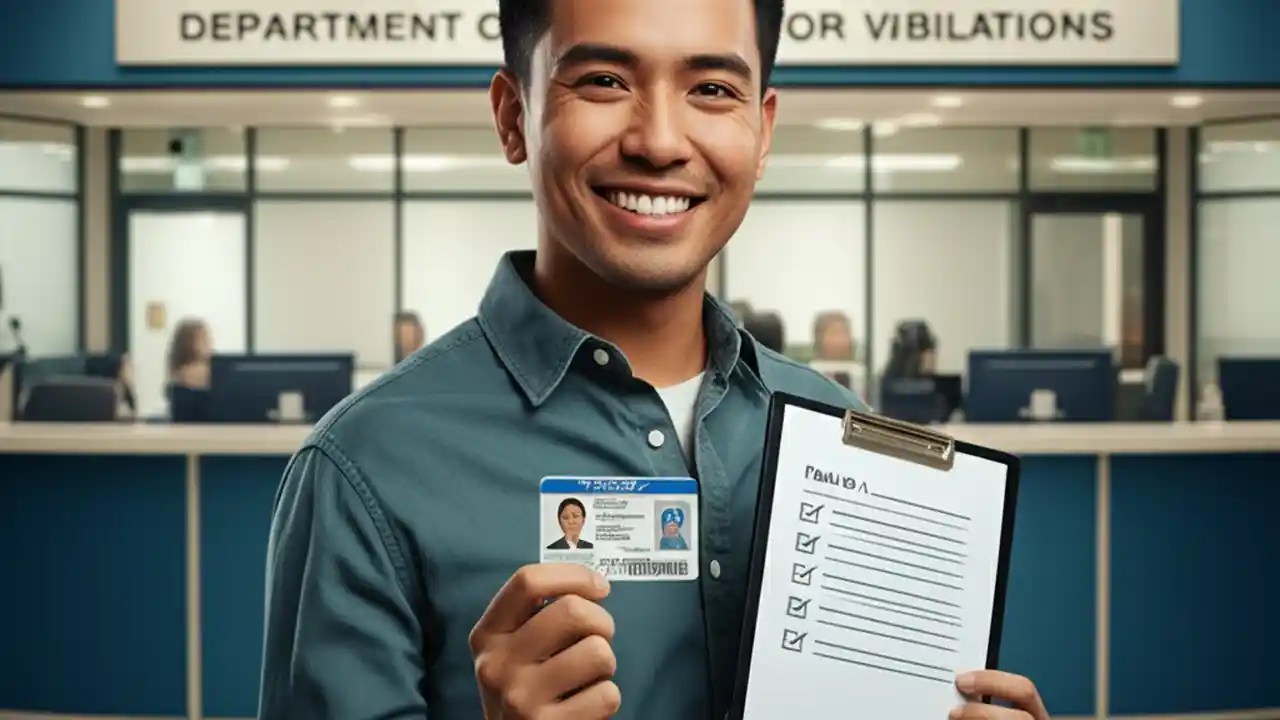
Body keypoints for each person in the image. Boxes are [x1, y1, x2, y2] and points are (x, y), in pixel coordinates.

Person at [259, 2, 1051, 719]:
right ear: (513, 116)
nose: (660, 142)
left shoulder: (846, 435)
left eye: (712, 90)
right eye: (604, 81)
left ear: (763, 131)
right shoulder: (366, 467)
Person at [166, 319, 212, 390]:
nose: (209, 343)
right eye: (204, 339)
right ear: (189, 343)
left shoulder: (178, 371)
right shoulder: (187, 372)